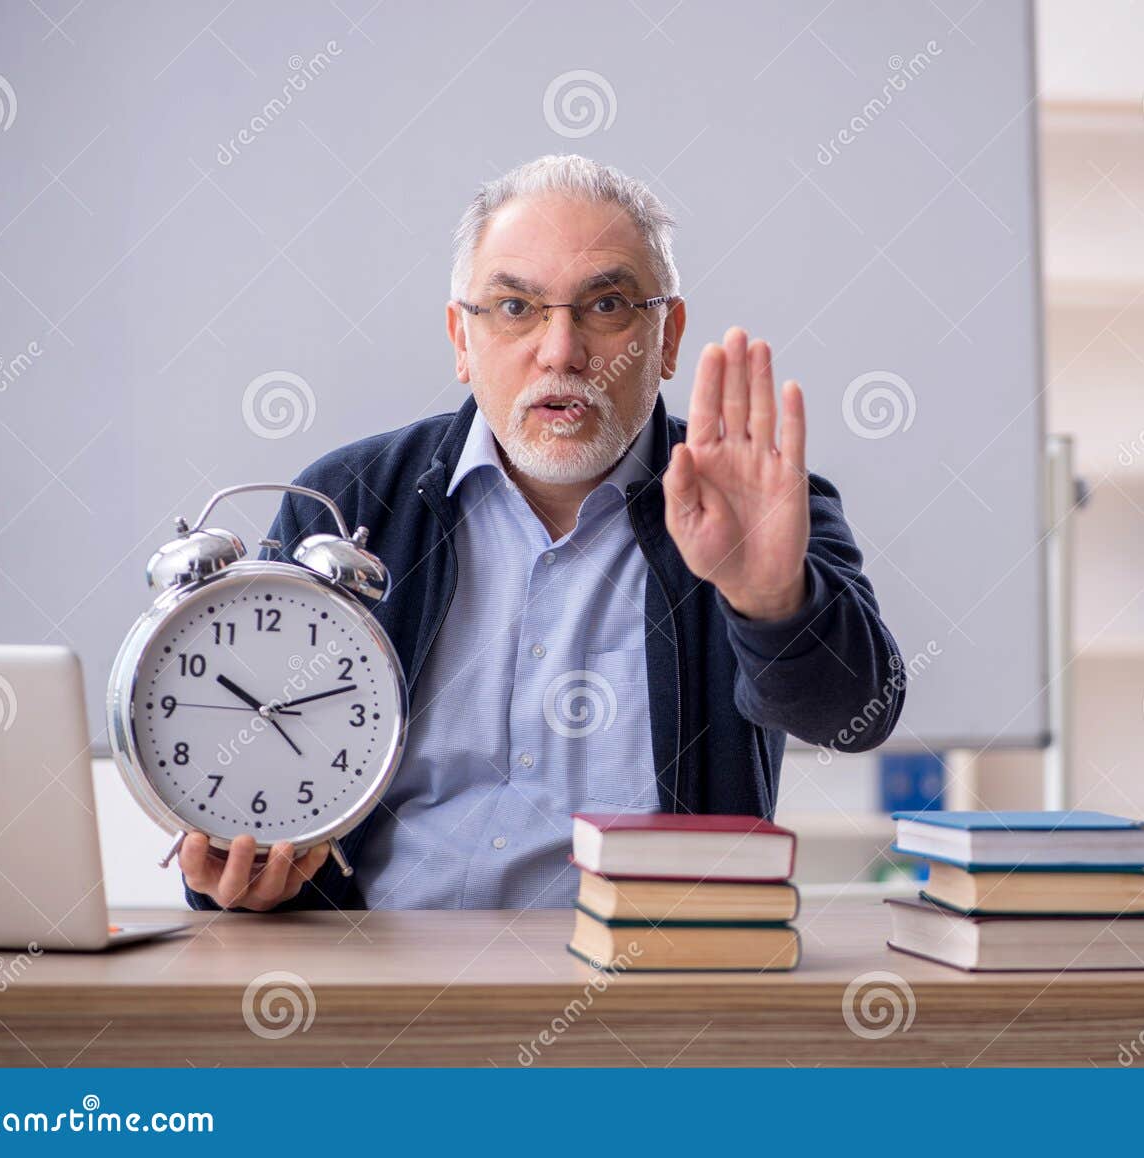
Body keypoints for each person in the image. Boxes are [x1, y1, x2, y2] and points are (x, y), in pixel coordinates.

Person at [182, 154, 903, 912]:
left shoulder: (752, 506)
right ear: (462, 338)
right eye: (517, 308)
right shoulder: (342, 501)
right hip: (379, 989)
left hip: (656, 989)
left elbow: (854, 716)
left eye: (607, 305)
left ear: (667, 338)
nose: (561, 351)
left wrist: (771, 600)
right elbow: (244, 775)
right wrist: (238, 876)